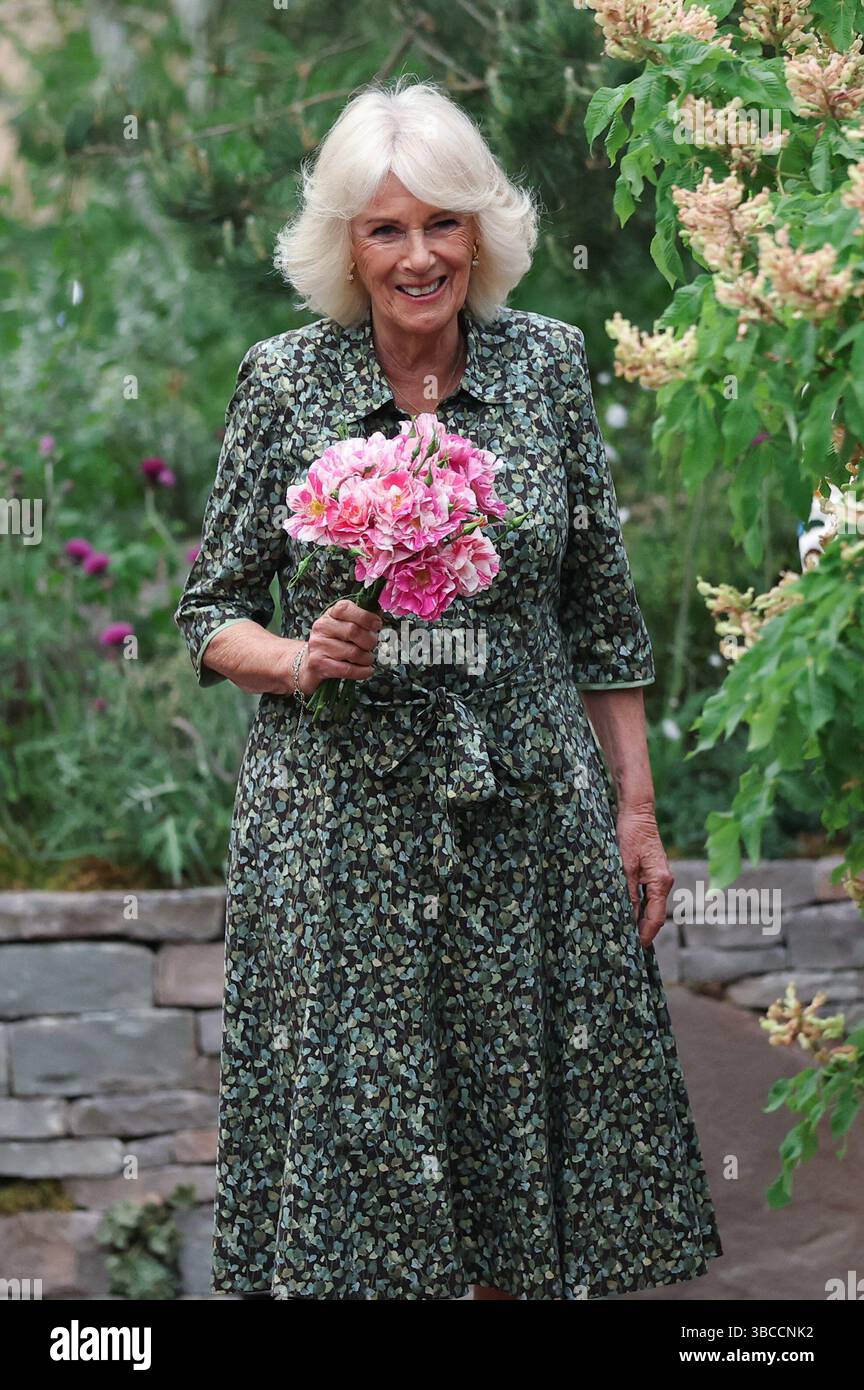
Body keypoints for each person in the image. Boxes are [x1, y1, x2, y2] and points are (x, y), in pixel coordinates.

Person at [174, 75, 722, 1301]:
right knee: (368, 1173)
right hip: (342, 824)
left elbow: (600, 609)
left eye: (444, 223)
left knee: (518, 1164)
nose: (420, 256)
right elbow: (210, 614)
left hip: (527, 813)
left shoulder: (548, 366)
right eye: (386, 228)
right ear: (345, 246)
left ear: (484, 228)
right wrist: (302, 656)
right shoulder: (283, 382)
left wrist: (634, 809)